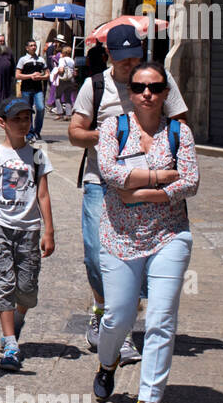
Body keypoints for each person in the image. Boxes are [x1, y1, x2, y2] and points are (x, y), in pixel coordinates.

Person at [69, 23, 189, 357]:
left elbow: (181, 123)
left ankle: (120, 327)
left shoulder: (158, 81)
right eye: (123, 61)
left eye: (134, 58)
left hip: (151, 180)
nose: (129, 66)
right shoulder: (95, 86)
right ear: (109, 56)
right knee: (96, 253)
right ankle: (102, 310)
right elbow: (75, 132)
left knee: (143, 256)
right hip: (101, 180)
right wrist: (110, 138)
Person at [92, 61, 199, 403]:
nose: (147, 94)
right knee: (118, 316)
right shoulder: (112, 127)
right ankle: (107, 363)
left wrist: (141, 192)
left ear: (166, 92)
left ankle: (149, 399)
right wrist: (160, 179)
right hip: (119, 236)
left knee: (161, 318)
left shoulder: (179, 133)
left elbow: (189, 182)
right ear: (130, 92)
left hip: (170, 235)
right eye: (139, 87)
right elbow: (110, 173)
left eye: (155, 87)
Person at [0, 97, 55, 370]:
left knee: (27, 288)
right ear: (2, 123)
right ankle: (10, 343)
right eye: (16, 119)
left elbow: (43, 195)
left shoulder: (37, 156)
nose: (23, 124)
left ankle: (17, 321)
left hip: (29, 228)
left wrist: (49, 231)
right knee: (2, 283)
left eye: (26, 118)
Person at [15, 38, 50, 144]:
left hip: (38, 89)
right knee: (28, 111)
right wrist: (31, 76)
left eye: (34, 45)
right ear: (27, 48)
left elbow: (48, 74)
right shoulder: (23, 60)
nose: (33, 47)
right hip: (26, 89)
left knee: (41, 108)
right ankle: (29, 133)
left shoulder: (41, 60)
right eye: (31, 45)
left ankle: (37, 131)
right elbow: (17, 75)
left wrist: (41, 77)